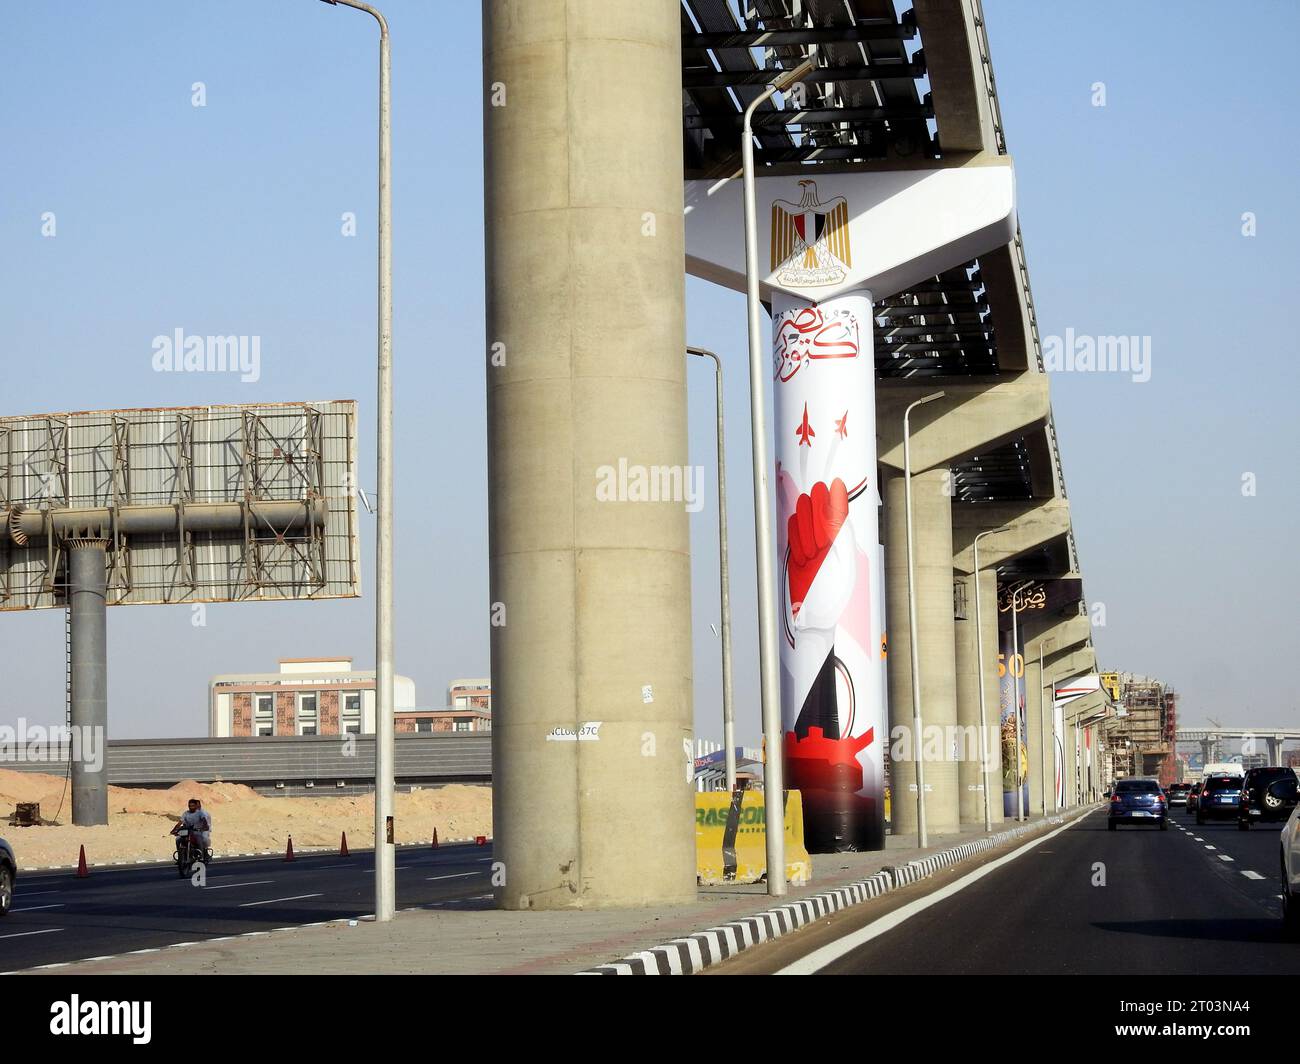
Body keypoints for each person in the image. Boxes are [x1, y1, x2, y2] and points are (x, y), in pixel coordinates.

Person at [170, 798, 213, 862]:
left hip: (197, 832)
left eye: (192, 806)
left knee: (199, 840)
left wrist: (204, 827)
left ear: (196, 806)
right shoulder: (185, 813)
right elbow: (180, 823)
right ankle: (180, 857)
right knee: (178, 839)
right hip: (187, 832)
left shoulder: (200, 813)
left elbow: (205, 822)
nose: (191, 807)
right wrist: (174, 830)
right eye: (189, 806)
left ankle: (201, 856)